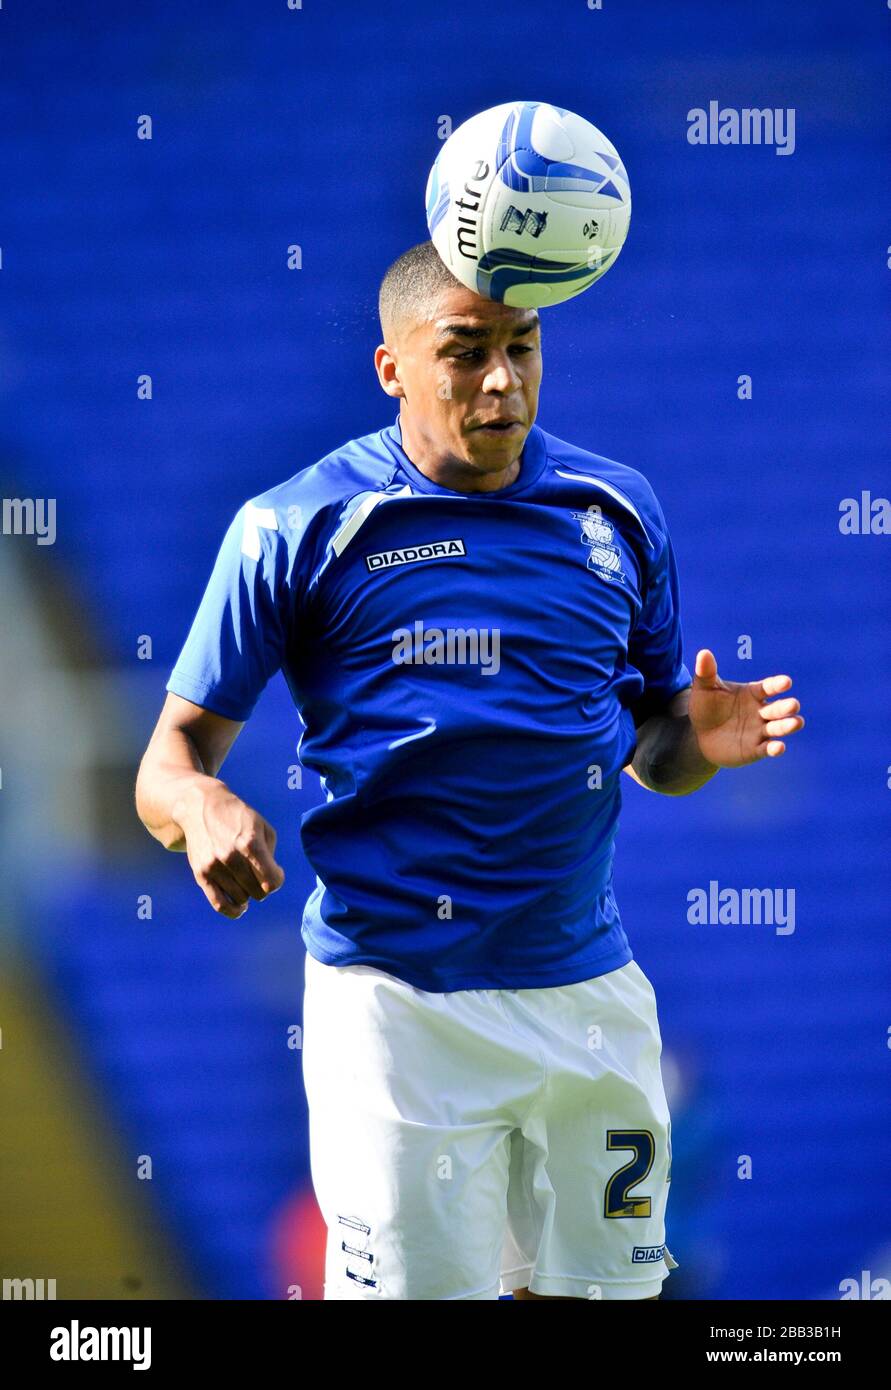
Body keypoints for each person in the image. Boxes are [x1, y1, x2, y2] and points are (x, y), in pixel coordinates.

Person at [135, 240, 805, 1301]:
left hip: (586, 997)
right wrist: (204, 804)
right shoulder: (295, 526)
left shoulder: (615, 510)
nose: (502, 379)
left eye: (522, 347)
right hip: (397, 1011)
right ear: (392, 368)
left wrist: (693, 741)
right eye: (466, 352)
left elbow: (650, 749)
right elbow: (166, 761)